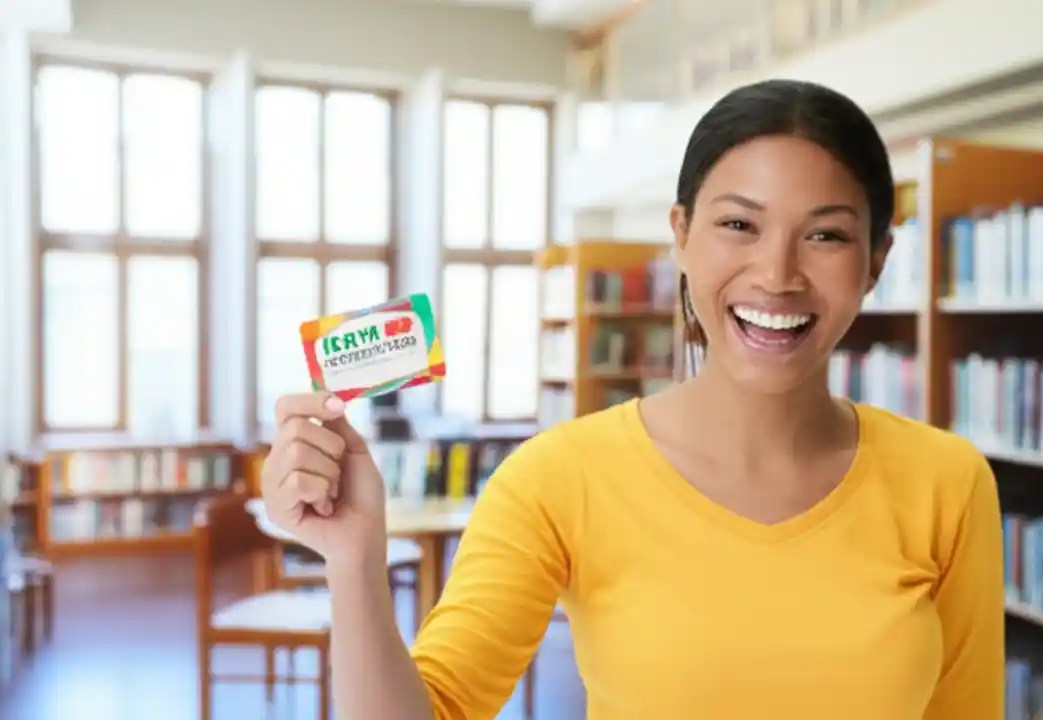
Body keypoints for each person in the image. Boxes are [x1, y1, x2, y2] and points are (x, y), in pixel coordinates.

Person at [261, 78, 1004, 719]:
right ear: (680, 234)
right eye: (739, 224)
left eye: (826, 236)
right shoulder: (558, 477)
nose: (777, 274)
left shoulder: (947, 481)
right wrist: (355, 560)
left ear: (877, 260)